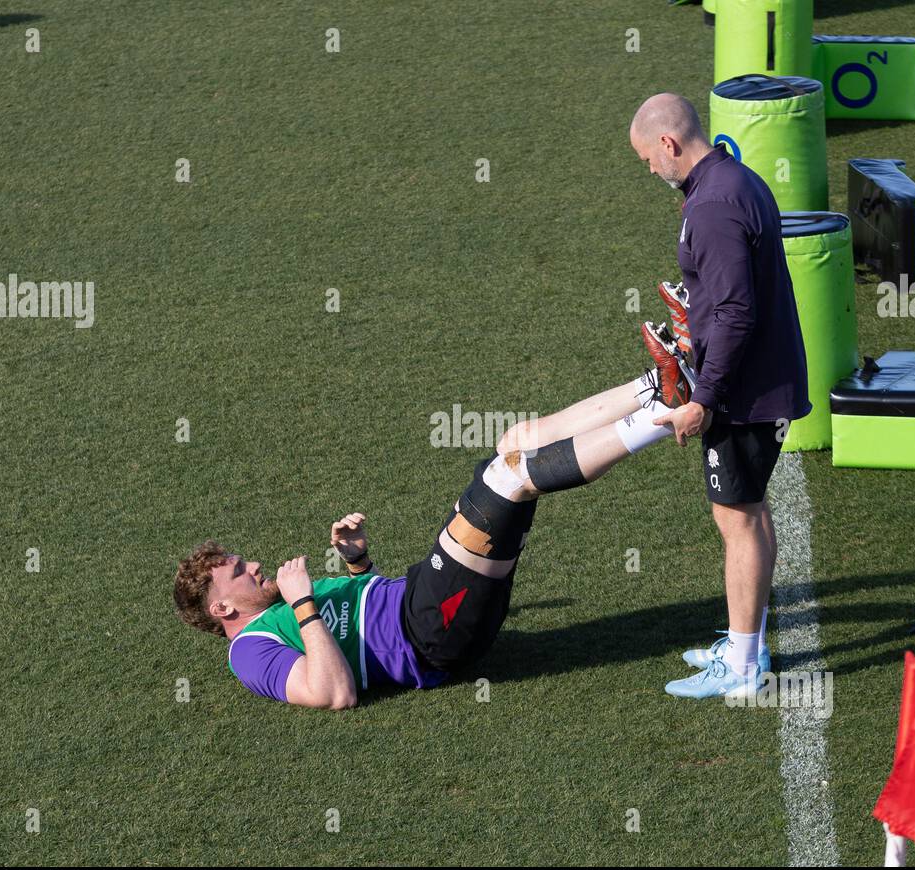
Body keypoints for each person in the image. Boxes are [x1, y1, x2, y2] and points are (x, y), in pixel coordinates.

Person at [172, 347, 692, 710]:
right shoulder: (249, 652)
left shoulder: (278, 607)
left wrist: (358, 563)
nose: (254, 565)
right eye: (239, 571)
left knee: (515, 444)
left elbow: (357, 622)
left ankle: (657, 382)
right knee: (507, 478)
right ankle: (666, 412)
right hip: (428, 634)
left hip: (419, 603)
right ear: (221, 608)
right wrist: (303, 602)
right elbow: (333, 692)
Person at [628, 92, 812, 700]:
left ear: (668, 144)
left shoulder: (711, 207)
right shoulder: (735, 178)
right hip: (762, 381)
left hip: (744, 394)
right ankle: (744, 641)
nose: (649, 173)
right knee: (749, 512)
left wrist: (704, 397)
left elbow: (735, 311)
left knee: (736, 519)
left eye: (647, 161)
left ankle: (742, 663)